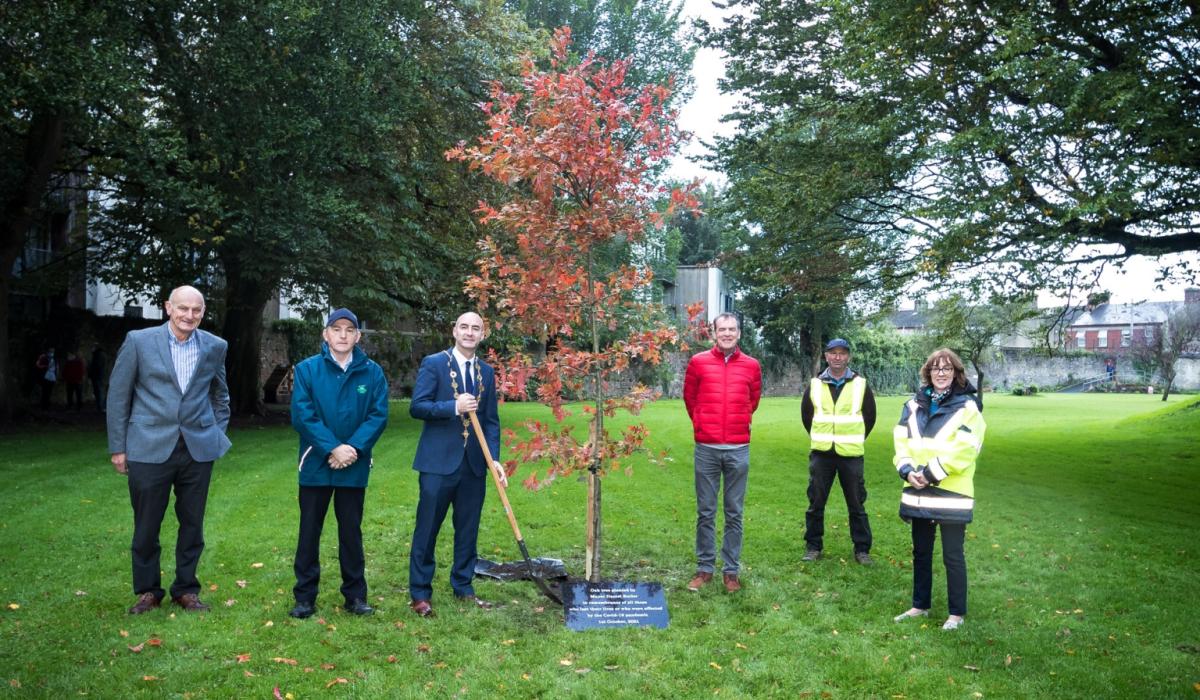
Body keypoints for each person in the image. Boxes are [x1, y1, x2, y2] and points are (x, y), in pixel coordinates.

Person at [107, 285, 231, 615]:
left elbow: (221, 396)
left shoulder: (215, 346)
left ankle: (186, 589)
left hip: (197, 450)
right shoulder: (139, 342)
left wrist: (216, 434)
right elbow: (119, 396)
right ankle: (148, 590)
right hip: (147, 447)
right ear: (168, 308)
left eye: (196, 310)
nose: (189, 315)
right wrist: (118, 447)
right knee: (146, 525)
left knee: (193, 524)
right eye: (183, 308)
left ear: (203, 312)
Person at [288, 309, 389, 619]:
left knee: (350, 532)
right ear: (325, 334)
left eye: (349, 330)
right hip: (316, 463)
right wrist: (332, 447)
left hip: (353, 465)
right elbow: (303, 415)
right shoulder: (307, 370)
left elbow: (378, 415)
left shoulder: (372, 373)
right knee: (309, 533)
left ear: (358, 336)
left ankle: (355, 596)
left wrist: (352, 448)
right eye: (336, 329)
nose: (343, 335)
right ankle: (305, 597)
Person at [407, 312, 505, 617]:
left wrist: (494, 459)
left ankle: (463, 586)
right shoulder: (434, 363)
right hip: (437, 464)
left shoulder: (486, 372)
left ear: (482, 335)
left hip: (473, 466)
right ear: (454, 330)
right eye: (464, 326)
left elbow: (490, 421)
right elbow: (417, 407)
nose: (469, 332)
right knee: (428, 528)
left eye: (476, 328)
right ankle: (420, 593)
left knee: (468, 530)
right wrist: (454, 407)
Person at [891, 348, 986, 631]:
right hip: (918, 488)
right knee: (920, 551)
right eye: (935, 369)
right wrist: (908, 471)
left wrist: (930, 474)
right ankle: (919, 605)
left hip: (952, 492)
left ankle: (956, 614)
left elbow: (966, 450)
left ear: (957, 374)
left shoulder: (969, 407)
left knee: (952, 555)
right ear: (928, 373)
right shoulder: (912, 405)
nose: (941, 374)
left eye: (947, 369)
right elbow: (902, 442)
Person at [682, 312, 762, 593]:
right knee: (705, 511)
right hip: (707, 448)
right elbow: (690, 399)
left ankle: (731, 570)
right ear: (713, 333)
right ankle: (705, 568)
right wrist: (704, 423)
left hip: (738, 449)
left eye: (732, 329)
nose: (727, 333)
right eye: (722, 329)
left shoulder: (752, 366)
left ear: (739, 333)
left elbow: (753, 401)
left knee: (734, 512)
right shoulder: (698, 363)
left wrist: (736, 422)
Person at [800, 338, 877, 564]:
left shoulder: (860, 384)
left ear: (848, 357)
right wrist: (820, 437)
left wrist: (853, 438)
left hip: (851, 455)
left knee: (856, 504)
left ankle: (862, 550)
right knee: (815, 503)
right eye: (833, 353)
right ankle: (813, 546)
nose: (837, 357)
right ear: (826, 356)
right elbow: (807, 416)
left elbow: (869, 417)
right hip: (822, 454)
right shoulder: (815, 384)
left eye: (842, 353)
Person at [89, 345, 108, 412]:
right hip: (98, 376)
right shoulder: (98, 355)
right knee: (98, 392)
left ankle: (101, 407)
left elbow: (97, 366)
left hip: (98, 377)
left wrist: (93, 374)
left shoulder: (98, 355)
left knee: (99, 392)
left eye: (92, 347)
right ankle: (100, 407)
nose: (91, 349)